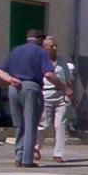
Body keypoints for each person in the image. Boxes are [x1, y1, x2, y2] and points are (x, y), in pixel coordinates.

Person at [0, 28, 52, 168]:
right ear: (39, 39)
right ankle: (27, 160)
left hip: (13, 88)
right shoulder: (40, 52)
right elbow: (49, 74)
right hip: (31, 88)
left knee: (19, 125)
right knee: (30, 124)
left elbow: (0, 71)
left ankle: (18, 157)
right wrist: (64, 88)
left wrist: (10, 79)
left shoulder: (15, 50)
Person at [33, 34, 75, 163]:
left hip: (61, 96)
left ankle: (58, 154)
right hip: (46, 94)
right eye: (52, 46)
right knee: (44, 124)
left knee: (60, 125)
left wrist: (69, 92)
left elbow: (68, 78)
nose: (55, 48)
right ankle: (36, 148)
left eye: (56, 45)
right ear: (45, 48)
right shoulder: (40, 60)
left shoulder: (62, 61)